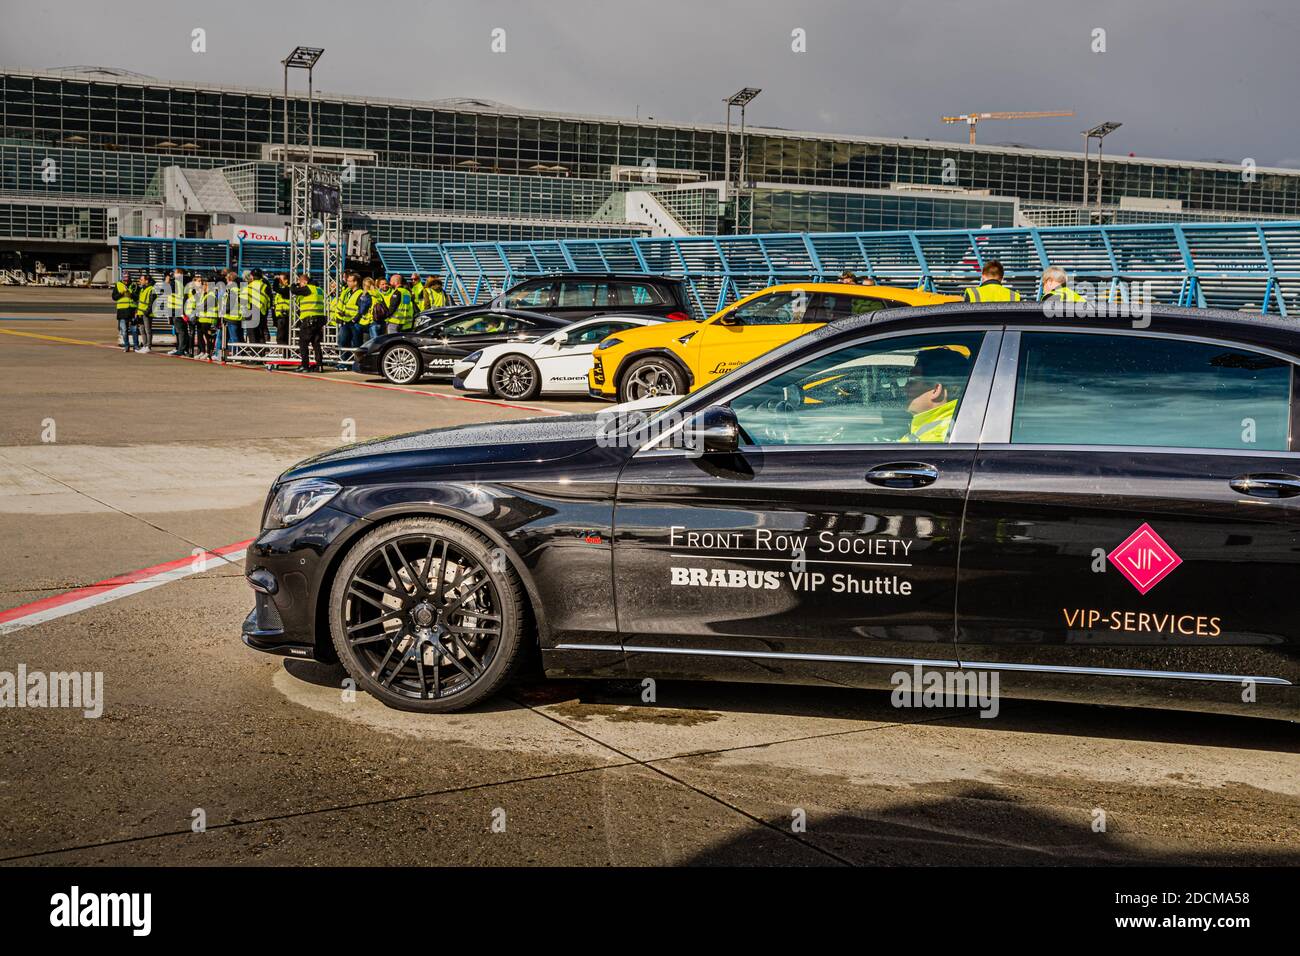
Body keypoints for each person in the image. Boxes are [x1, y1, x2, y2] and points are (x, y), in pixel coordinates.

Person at [901, 347, 971, 443]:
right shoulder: (950, 428)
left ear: (936, 389)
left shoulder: (933, 440)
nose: (905, 388)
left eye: (912, 382)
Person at [291, 272, 326, 371]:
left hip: (309, 319)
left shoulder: (309, 288)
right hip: (319, 320)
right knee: (316, 343)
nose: (300, 285)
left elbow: (293, 290)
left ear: (305, 282)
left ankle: (304, 365)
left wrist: (295, 284)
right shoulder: (319, 289)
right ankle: (319, 365)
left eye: (300, 283)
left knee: (303, 343)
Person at [194, 275, 220, 360]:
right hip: (202, 319)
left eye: (205, 285)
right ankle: (203, 351)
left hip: (209, 320)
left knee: (208, 338)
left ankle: (208, 353)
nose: (203, 286)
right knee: (201, 336)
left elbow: (202, 307)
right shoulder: (205, 294)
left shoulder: (211, 295)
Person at [112, 271, 139, 352]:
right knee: (124, 330)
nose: (126, 280)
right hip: (122, 311)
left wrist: (130, 292)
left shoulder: (134, 285)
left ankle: (136, 346)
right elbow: (114, 297)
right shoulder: (118, 285)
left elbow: (137, 297)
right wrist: (122, 292)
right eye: (125, 278)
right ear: (122, 278)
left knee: (134, 330)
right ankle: (126, 346)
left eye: (127, 278)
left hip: (132, 311)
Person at [242, 269, 271, 343]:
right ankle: (261, 352)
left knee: (252, 335)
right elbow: (269, 301)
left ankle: (254, 352)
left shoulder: (248, 286)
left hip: (251, 312)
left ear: (251, 276)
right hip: (262, 313)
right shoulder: (265, 286)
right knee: (260, 334)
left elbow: (243, 301)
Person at [134, 273, 157, 353]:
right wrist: (137, 311)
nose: (140, 281)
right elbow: (140, 301)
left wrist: (147, 312)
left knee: (148, 330)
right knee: (142, 330)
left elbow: (152, 302)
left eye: (141, 280)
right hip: (141, 313)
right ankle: (144, 346)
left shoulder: (151, 289)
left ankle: (148, 346)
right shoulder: (142, 289)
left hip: (147, 313)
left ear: (146, 281)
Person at [166, 268, 187, 355]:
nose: (173, 274)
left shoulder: (175, 283)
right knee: (179, 330)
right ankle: (179, 348)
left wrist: (166, 282)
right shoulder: (180, 283)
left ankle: (181, 349)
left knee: (180, 331)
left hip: (176, 310)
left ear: (178, 273)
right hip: (177, 309)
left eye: (174, 273)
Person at [272, 273, 292, 347]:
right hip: (281, 316)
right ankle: (284, 353)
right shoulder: (283, 288)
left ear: (286, 280)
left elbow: (275, 288)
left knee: (281, 337)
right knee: (282, 337)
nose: (279, 281)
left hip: (285, 316)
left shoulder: (288, 289)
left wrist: (276, 280)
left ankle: (284, 354)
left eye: (280, 279)